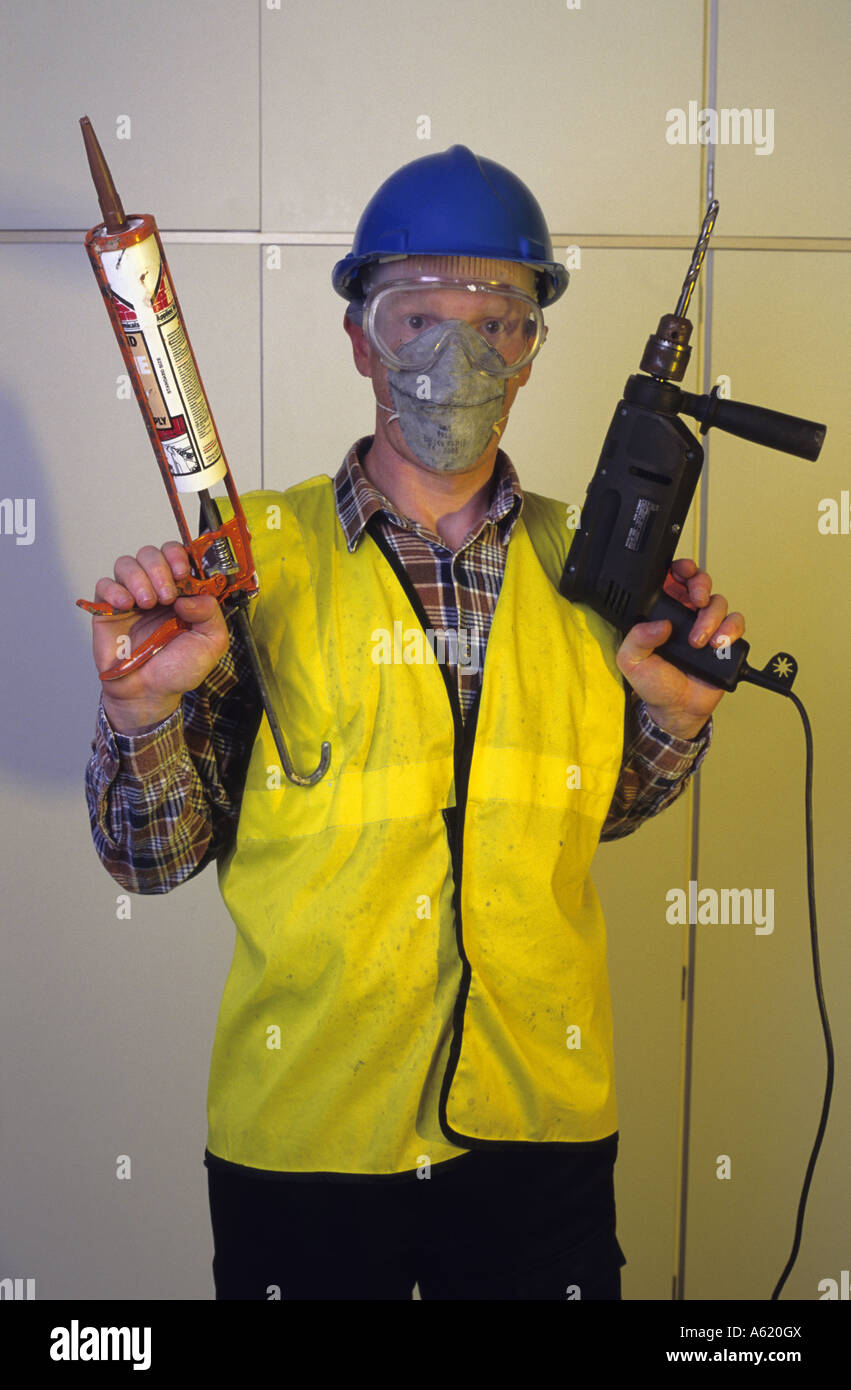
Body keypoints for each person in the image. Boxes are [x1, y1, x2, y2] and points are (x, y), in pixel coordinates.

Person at [84, 145, 744, 1301]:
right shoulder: (246, 562)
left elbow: (584, 818)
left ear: (532, 350)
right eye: (413, 317)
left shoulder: (593, 567)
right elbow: (154, 860)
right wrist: (141, 710)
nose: (455, 353)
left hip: (540, 1135)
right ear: (358, 339)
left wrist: (672, 727)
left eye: (497, 319)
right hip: (306, 1148)